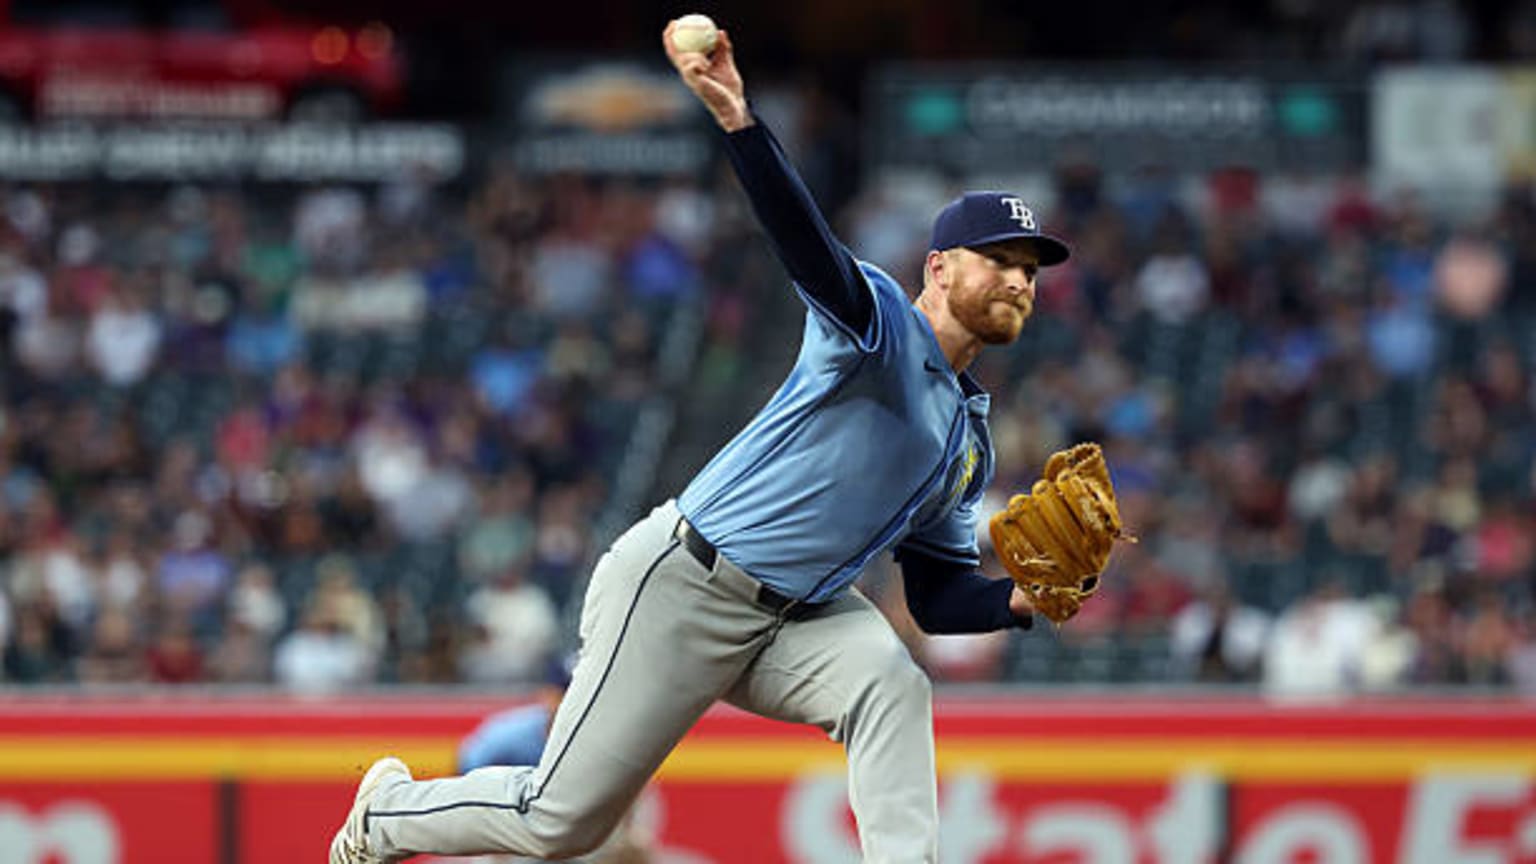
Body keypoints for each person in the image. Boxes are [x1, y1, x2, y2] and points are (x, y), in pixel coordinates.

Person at [331, 17, 1070, 864]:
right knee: (558, 824)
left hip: (802, 618)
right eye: (997, 258)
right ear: (939, 268)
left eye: (1029, 268)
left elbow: (938, 599)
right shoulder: (880, 325)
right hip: (685, 585)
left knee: (889, 681)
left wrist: (1021, 598)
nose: (1017, 278)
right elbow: (807, 245)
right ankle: (387, 814)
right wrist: (739, 123)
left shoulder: (967, 437)